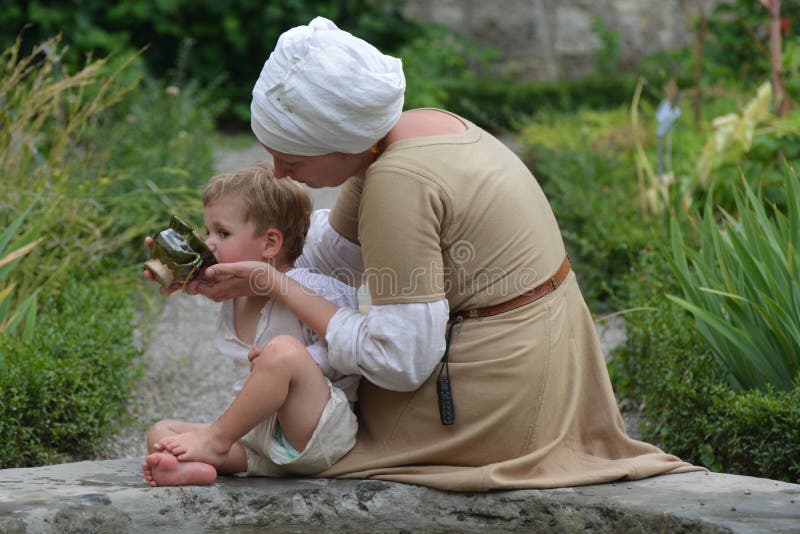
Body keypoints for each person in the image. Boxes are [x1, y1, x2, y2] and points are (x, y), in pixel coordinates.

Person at [161, 16, 702, 491]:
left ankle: (238, 453)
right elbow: (328, 257)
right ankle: (230, 446)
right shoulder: (405, 131)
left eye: (291, 160)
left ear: (340, 142)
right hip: (541, 358)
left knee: (309, 429)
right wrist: (226, 269)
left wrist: (274, 284)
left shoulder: (399, 179)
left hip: (499, 393)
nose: (279, 174)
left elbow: (400, 361)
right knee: (277, 401)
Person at [141, 162, 359, 487]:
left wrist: (293, 362)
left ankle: (215, 442)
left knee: (284, 351)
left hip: (314, 427)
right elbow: (217, 282)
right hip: (260, 437)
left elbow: (349, 338)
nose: (209, 243)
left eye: (222, 233)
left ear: (270, 243)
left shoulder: (306, 288)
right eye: (207, 231)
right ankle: (203, 466)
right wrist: (184, 275)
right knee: (161, 433)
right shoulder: (236, 294)